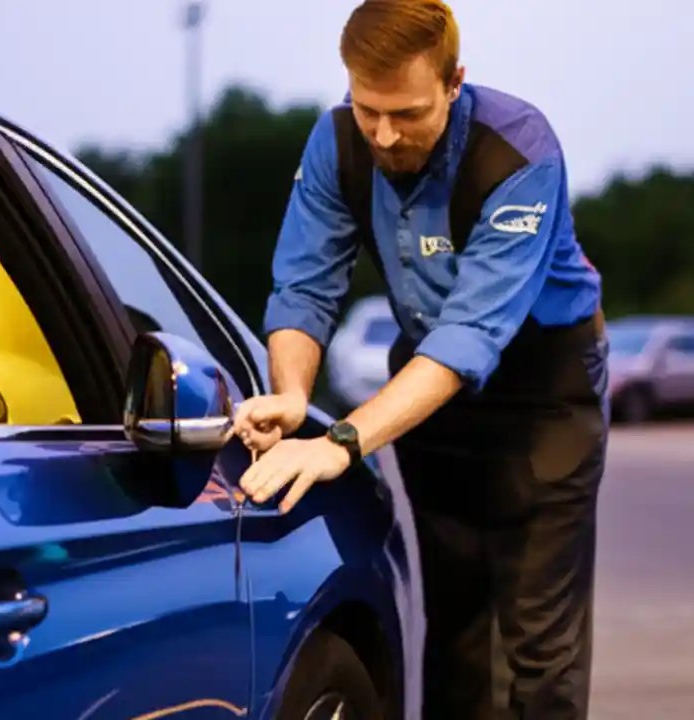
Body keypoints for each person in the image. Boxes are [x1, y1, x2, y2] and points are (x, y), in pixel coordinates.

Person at [232, 1, 609, 718]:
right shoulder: (338, 141)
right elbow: (305, 286)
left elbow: (471, 333)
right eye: (367, 108)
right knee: (457, 629)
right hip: (428, 390)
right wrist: (291, 393)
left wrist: (342, 441)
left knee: (538, 645)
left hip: (545, 390)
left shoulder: (518, 152)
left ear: (454, 82)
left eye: (406, 113)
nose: (383, 133)